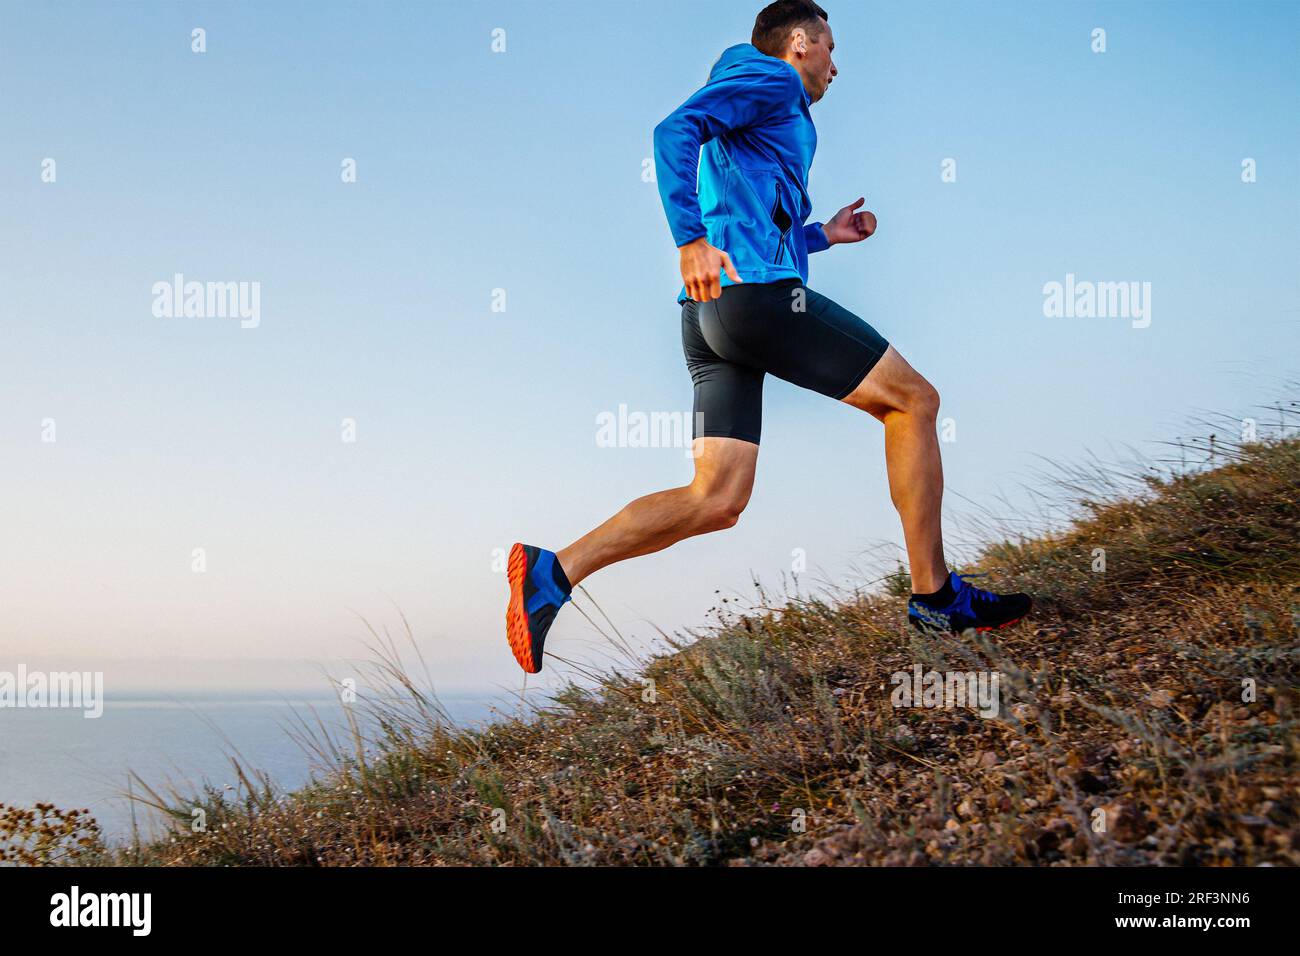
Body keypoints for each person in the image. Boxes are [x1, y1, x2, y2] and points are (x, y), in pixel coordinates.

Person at [506, 0, 1031, 674]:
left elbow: (756, 215)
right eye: (831, 48)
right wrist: (689, 239)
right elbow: (673, 130)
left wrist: (826, 236)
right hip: (749, 297)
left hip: (707, 316)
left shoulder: (758, 102)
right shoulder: (774, 79)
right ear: (800, 42)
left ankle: (552, 574)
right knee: (913, 402)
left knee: (716, 497)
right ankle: (935, 597)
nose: (836, 67)